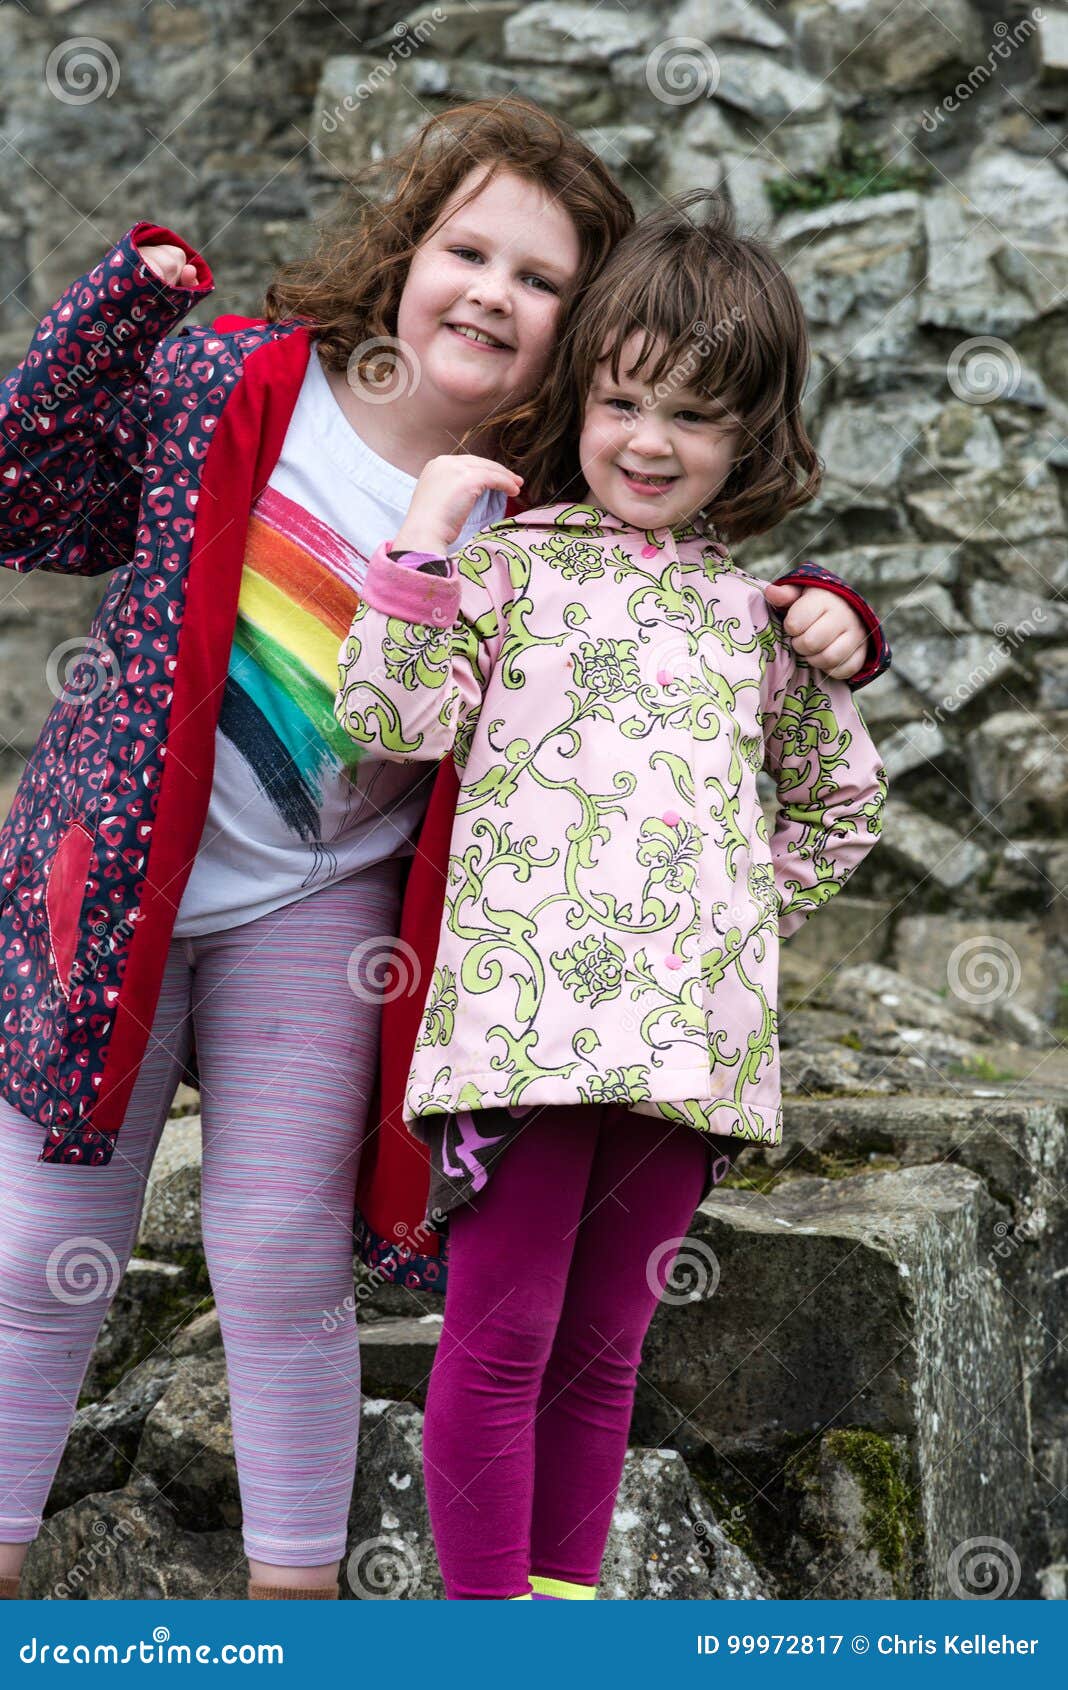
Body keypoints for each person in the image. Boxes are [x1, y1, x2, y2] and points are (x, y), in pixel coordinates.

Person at [0, 98, 885, 1602]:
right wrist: (122, 303)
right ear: (407, 253)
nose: (492, 290)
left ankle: (301, 1612)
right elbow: (28, 489)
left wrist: (818, 637)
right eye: (468, 248)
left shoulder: (534, 512)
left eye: (540, 280)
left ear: (575, 331)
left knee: (284, 1260)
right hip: (124, 891)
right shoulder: (244, 383)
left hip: (325, 913)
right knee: (32, 1257)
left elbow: (686, 604)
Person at [334, 189, 887, 1601]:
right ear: (583, 393)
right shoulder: (511, 573)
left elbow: (840, 800)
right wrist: (421, 541)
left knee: (602, 1357)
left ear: (750, 439)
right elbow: (389, 722)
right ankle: (486, 1626)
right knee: (498, 1339)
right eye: (625, 400)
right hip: (522, 1032)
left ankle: (568, 1625)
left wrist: (735, 916)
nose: (650, 441)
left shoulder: (755, 625)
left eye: (694, 417)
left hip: (686, 1052)